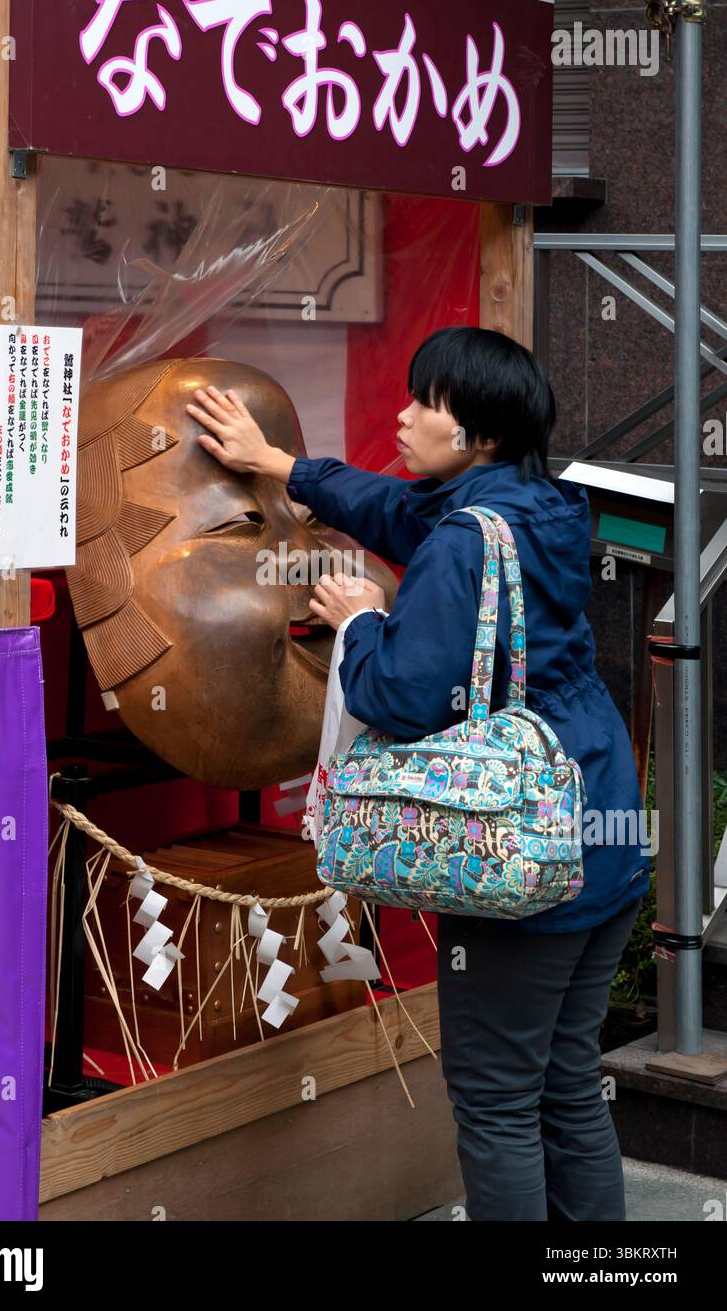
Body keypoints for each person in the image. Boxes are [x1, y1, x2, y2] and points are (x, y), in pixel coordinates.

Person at [185, 324, 651, 1222]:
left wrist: (361, 620)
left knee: (496, 1098)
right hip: (599, 830)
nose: (401, 415)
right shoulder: (536, 509)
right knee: (562, 1085)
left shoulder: (464, 543)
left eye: (422, 403)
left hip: (523, 859)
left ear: (474, 435)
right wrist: (286, 466)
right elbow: (403, 514)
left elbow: (403, 695)